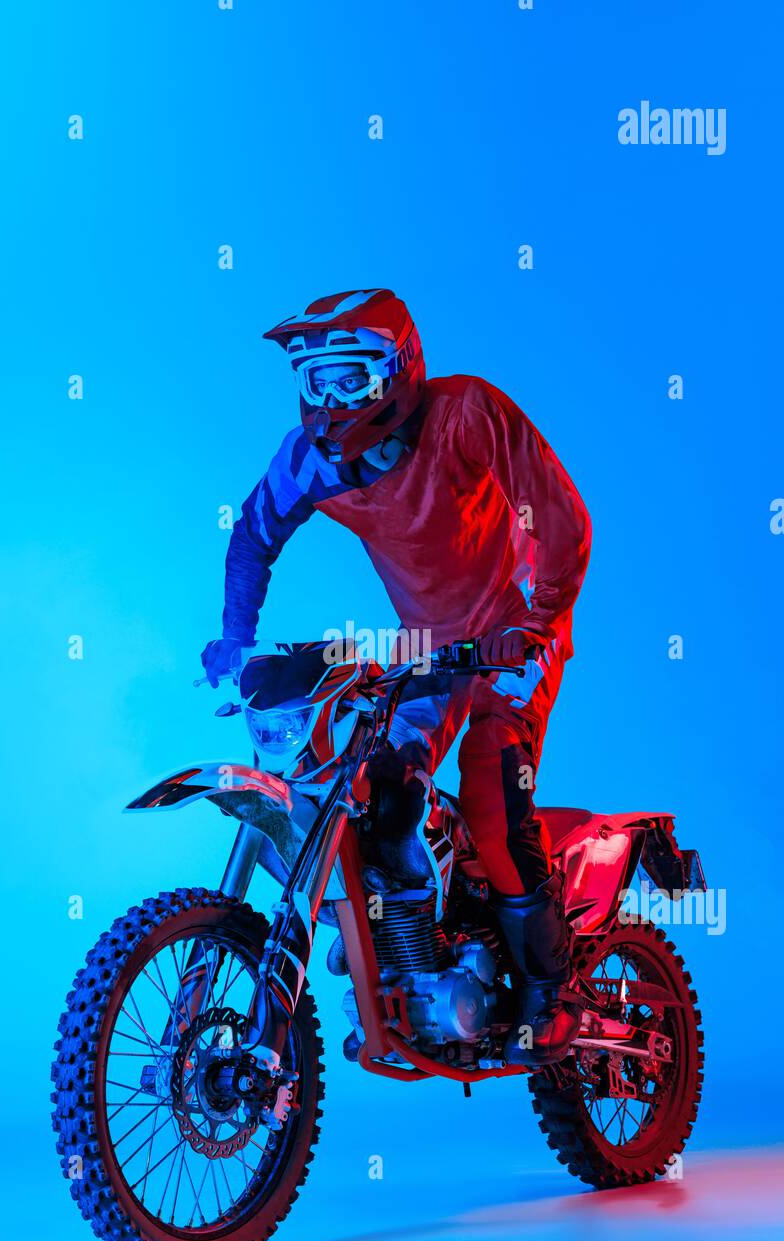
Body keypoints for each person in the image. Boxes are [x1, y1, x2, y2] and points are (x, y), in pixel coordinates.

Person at [202, 289, 592, 1065]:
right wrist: (234, 641)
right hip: (429, 651)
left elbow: (562, 521)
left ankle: (556, 992)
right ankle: (417, 972)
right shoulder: (309, 460)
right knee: (372, 785)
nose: (329, 402)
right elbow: (251, 539)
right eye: (314, 382)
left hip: (516, 635)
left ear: (398, 369)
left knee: (487, 786)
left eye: (348, 378)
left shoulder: (466, 413)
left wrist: (535, 618)